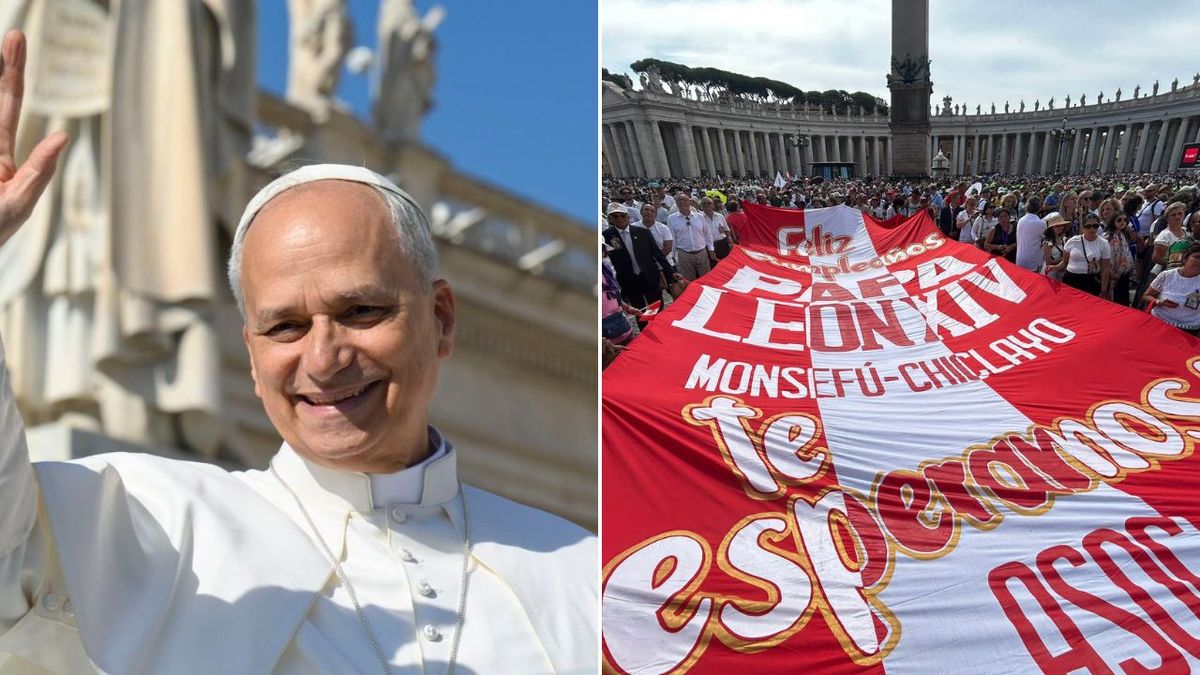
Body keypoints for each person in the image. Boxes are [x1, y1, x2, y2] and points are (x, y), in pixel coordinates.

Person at [0, 31, 595, 674]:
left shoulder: (583, 571)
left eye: (361, 311)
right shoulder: (153, 519)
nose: (323, 358)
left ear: (441, 318)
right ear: (251, 357)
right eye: (284, 327)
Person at [604, 204, 678, 309]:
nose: (619, 218)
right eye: (615, 216)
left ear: (628, 217)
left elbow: (658, 254)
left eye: (622, 215)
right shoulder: (606, 236)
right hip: (629, 279)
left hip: (649, 276)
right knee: (638, 309)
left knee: (657, 306)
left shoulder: (642, 232)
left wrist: (671, 272)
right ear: (610, 219)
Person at [1145, 242, 1200, 334]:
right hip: (1160, 325)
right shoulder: (1167, 275)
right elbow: (1147, 296)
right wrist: (1159, 302)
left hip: (1189, 331)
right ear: (1185, 259)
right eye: (1197, 257)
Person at [667, 193, 716, 281]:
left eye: (685, 200)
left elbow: (707, 234)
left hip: (702, 253)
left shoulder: (699, 216)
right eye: (679, 200)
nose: (682, 202)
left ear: (690, 202)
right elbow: (672, 238)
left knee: (706, 279)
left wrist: (711, 249)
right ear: (676, 203)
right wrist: (672, 255)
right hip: (684, 254)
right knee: (689, 282)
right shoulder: (671, 219)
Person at [1061, 212, 1112, 296]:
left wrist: (1103, 291)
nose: (1092, 229)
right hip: (1071, 279)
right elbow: (1064, 262)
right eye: (1088, 226)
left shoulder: (1104, 243)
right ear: (1083, 227)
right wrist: (1054, 267)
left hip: (1091, 281)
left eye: (1095, 226)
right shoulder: (1072, 241)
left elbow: (1105, 269)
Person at [1104, 210, 1137, 305]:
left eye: (1125, 220)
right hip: (1111, 273)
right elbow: (1104, 257)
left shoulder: (1123, 235)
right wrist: (1110, 272)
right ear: (1113, 222)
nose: (1123, 222)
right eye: (1119, 220)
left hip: (1123, 272)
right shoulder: (1107, 237)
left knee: (1122, 299)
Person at [1150, 202, 1188, 276]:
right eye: (1173, 215)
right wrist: (1176, 265)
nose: (1177, 217)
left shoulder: (1186, 231)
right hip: (1164, 273)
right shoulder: (1165, 236)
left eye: (1180, 213)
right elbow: (1156, 258)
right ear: (1167, 218)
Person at [1015, 196, 1047, 271]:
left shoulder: (1021, 220)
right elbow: (1046, 239)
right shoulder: (1041, 223)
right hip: (1033, 262)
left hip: (1020, 260)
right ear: (1040, 208)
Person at [1040, 212, 1069, 280]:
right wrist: (1064, 260)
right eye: (1057, 226)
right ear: (1051, 228)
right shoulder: (1047, 243)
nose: (1060, 227)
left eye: (1061, 225)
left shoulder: (1063, 239)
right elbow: (1048, 262)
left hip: (1061, 271)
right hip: (1050, 273)